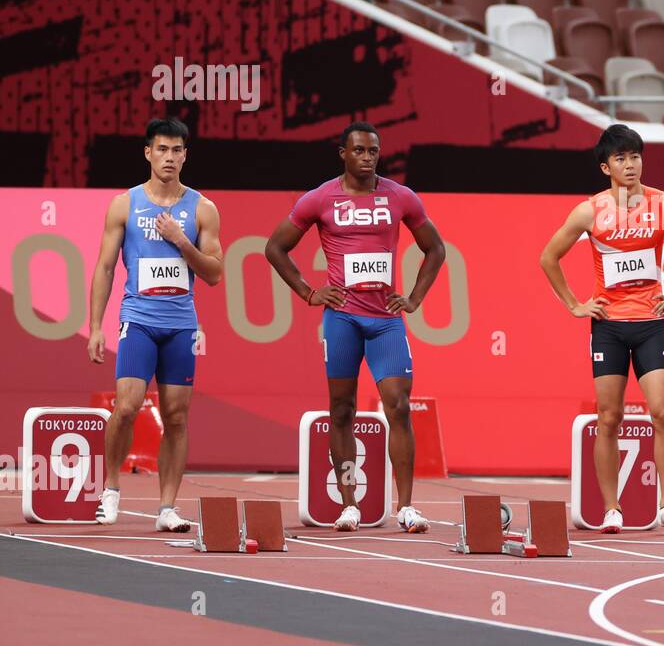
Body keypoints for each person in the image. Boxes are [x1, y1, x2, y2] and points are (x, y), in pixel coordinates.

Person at [265, 122, 446, 533]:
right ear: (342, 153)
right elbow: (275, 248)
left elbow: (435, 248)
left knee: (398, 406)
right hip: (342, 318)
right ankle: (350, 505)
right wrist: (309, 292)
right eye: (360, 150)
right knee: (342, 410)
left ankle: (406, 508)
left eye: (374, 151)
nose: (367, 157)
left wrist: (415, 298)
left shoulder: (400, 197)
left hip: (386, 322)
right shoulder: (319, 198)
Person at [540, 124, 664, 533]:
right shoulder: (589, 210)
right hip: (609, 328)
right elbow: (549, 257)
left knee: (663, 412)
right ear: (605, 167)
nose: (630, 164)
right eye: (620, 158)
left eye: (635, 156)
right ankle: (612, 509)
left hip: (652, 324)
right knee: (609, 416)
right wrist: (575, 305)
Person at [88, 118, 224, 532]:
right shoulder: (124, 205)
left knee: (177, 416)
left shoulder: (202, 209)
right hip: (139, 320)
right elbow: (106, 267)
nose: (169, 157)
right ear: (148, 153)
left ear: (185, 155)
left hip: (181, 325)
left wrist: (181, 240)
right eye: (162, 149)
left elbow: (215, 273)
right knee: (127, 406)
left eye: (177, 150)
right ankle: (110, 491)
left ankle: (167, 508)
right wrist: (95, 326)